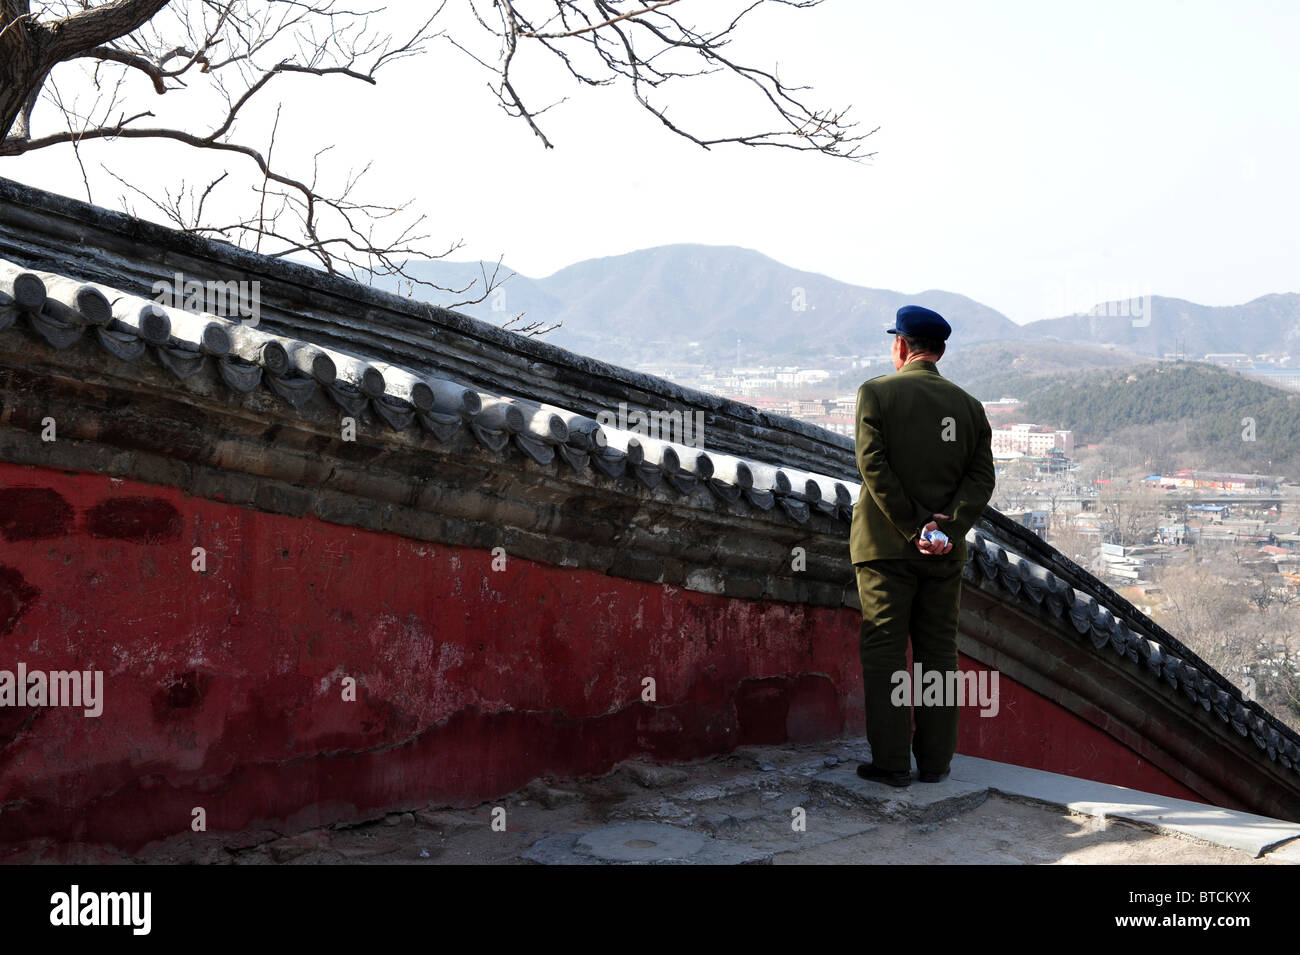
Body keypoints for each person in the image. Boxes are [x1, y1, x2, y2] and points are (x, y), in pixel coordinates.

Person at [849, 305, 996, 786]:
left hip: (885, 549)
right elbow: (981, 479)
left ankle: (891, 763)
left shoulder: (875, 393)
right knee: (939, 653)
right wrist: (946, 530)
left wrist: (913, 528)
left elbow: (874, 468)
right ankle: (936, 763)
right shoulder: (970, 408)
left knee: (886, 651)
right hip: (944, 555)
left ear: (900, 345)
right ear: (941, 351)